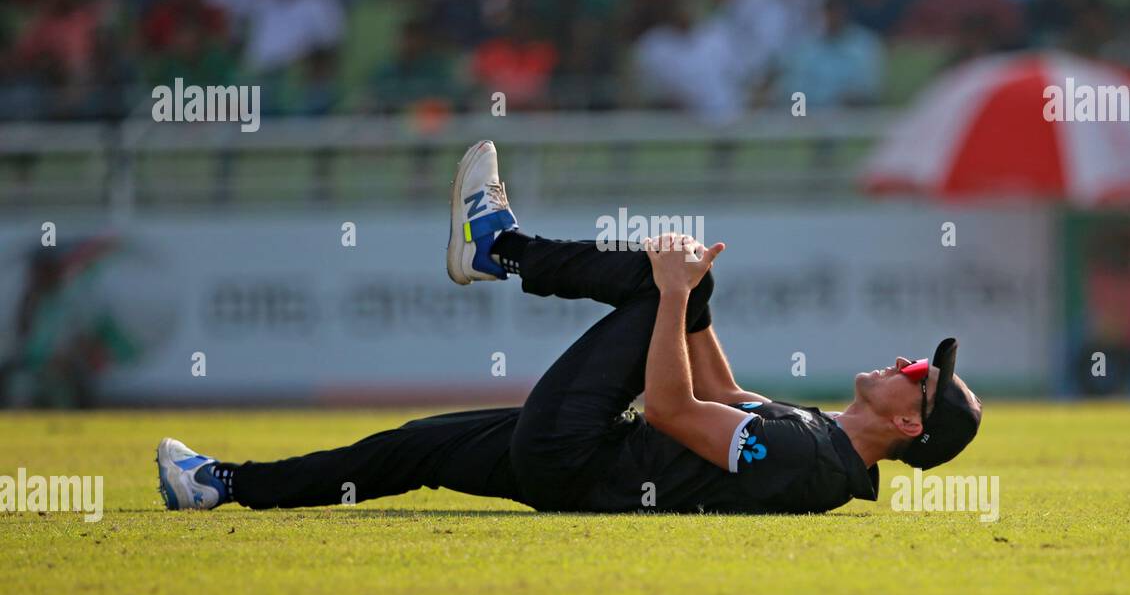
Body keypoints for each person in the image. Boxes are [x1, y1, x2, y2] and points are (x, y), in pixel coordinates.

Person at [157, 141, 982, 515]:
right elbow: (721, 391)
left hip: (580, 457)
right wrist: (694, 296)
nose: (909, 362)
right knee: (409, 448)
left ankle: (499, 248)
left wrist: (668, 296)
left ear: (909, 425)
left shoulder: (809, 457)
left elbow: (671, 409)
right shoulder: (817, 440)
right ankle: (223, 486)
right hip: (577, 464)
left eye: (922, 378)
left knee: (647, 280)